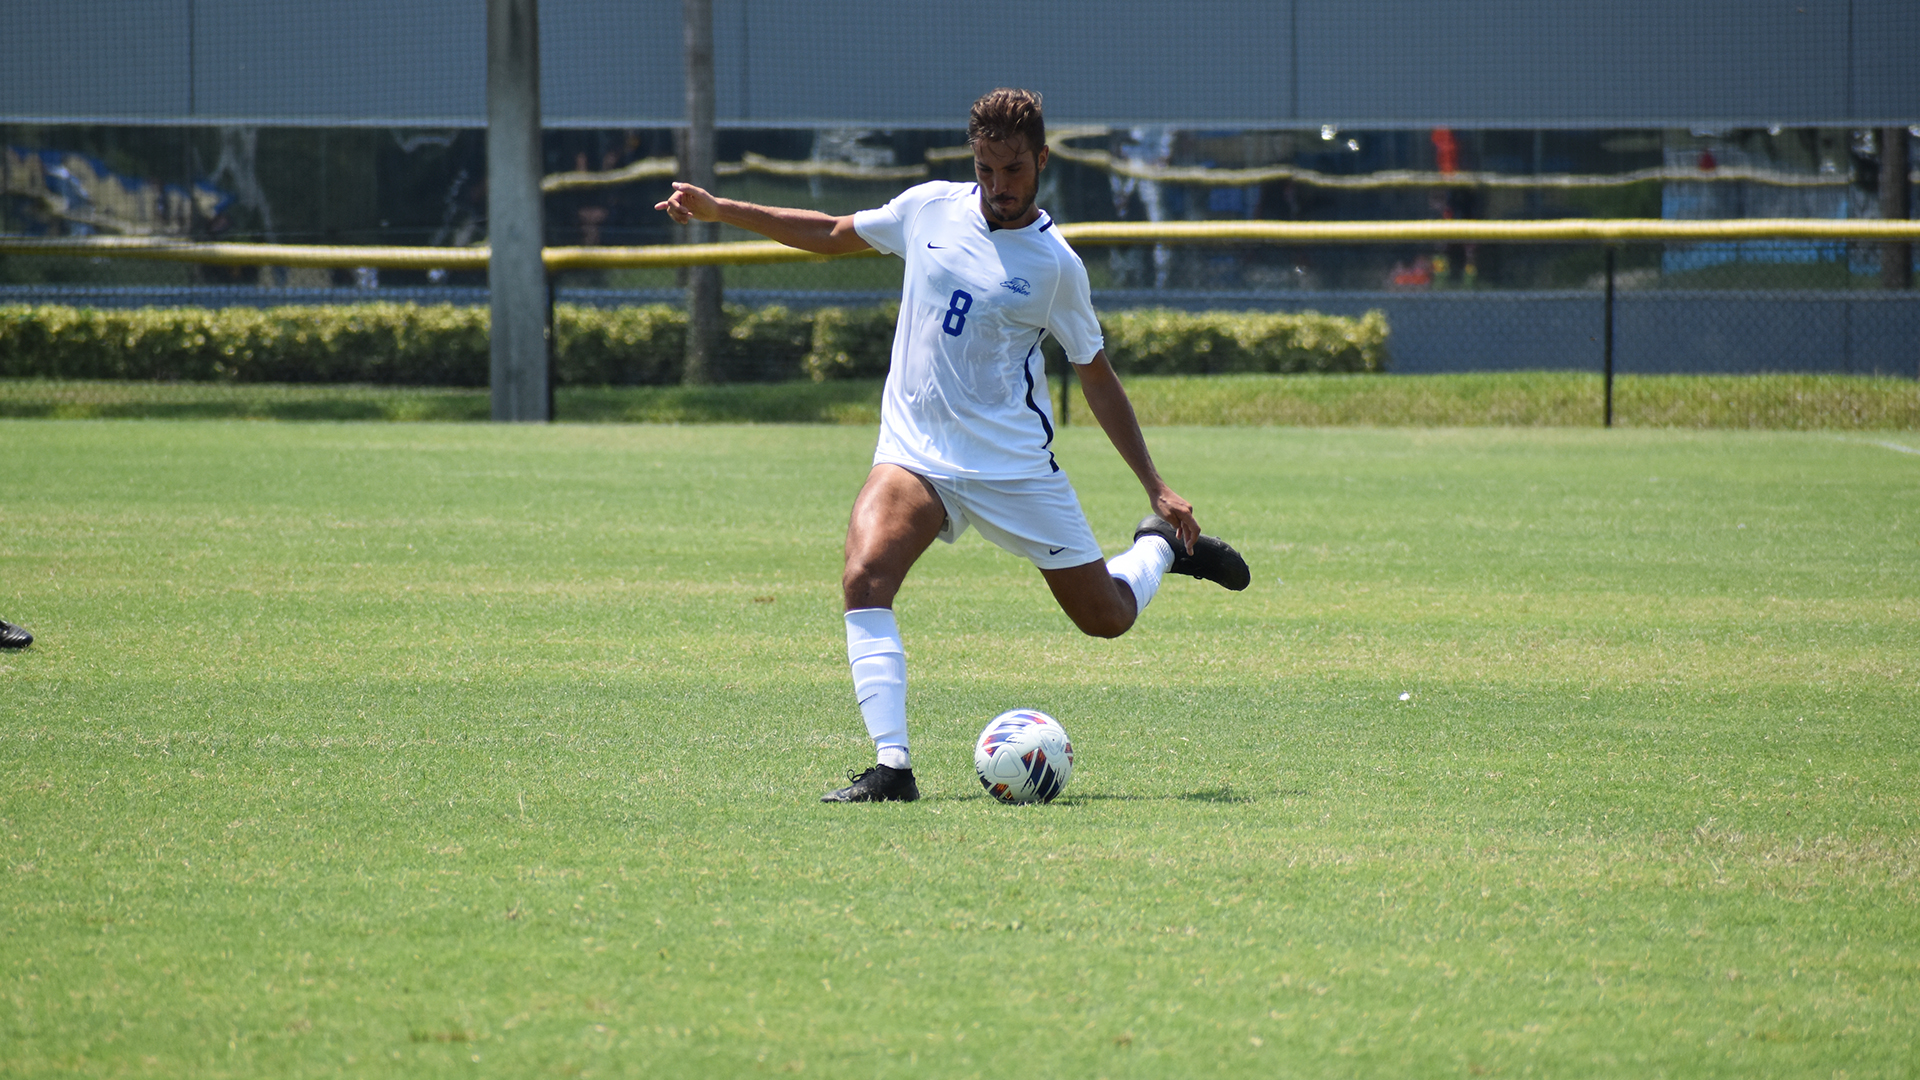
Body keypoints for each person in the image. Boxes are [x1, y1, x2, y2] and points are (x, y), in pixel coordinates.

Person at [657, 88, 1248, 803]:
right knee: (864, 578)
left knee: (1106, 620)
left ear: (1043, 161)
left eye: (1015, 171)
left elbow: (1096, 377)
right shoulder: (929, 207)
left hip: (1013, 468)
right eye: (987, 168)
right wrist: (723, 212)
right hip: (916, 453)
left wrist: (1156, 487)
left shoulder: (1056, 265)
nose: (1000, 186)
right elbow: (833, 230)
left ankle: (1158, 547)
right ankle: (892, 768)